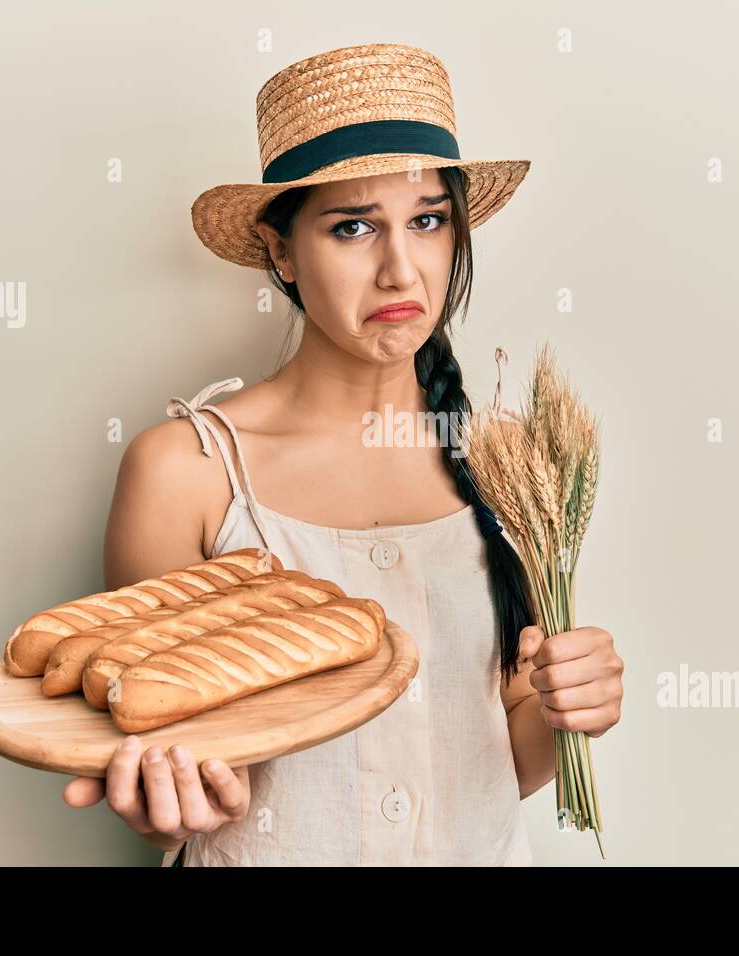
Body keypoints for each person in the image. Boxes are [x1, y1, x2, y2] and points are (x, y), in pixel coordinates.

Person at [61, 42, 624, 866]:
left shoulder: (510, 468)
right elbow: (167, 763)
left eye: (428, 220)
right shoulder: (189, 473)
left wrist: (569, 705)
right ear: (281, 252)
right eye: (353, 226)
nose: (402, 270)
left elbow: (500, 764)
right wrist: (165, 803)